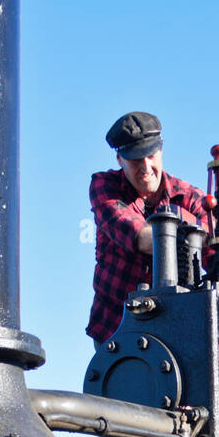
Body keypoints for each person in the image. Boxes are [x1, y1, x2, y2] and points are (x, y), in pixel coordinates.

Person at [85, 112, 207, 345]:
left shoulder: (190, 198)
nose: (145, 166)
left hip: (175, 327)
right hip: (115, 328)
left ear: (161, 150)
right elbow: (139, 236)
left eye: (151, 155)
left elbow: (218, 254)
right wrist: (189, 238)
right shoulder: (104, 186)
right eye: (135, 159)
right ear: (119, 159)